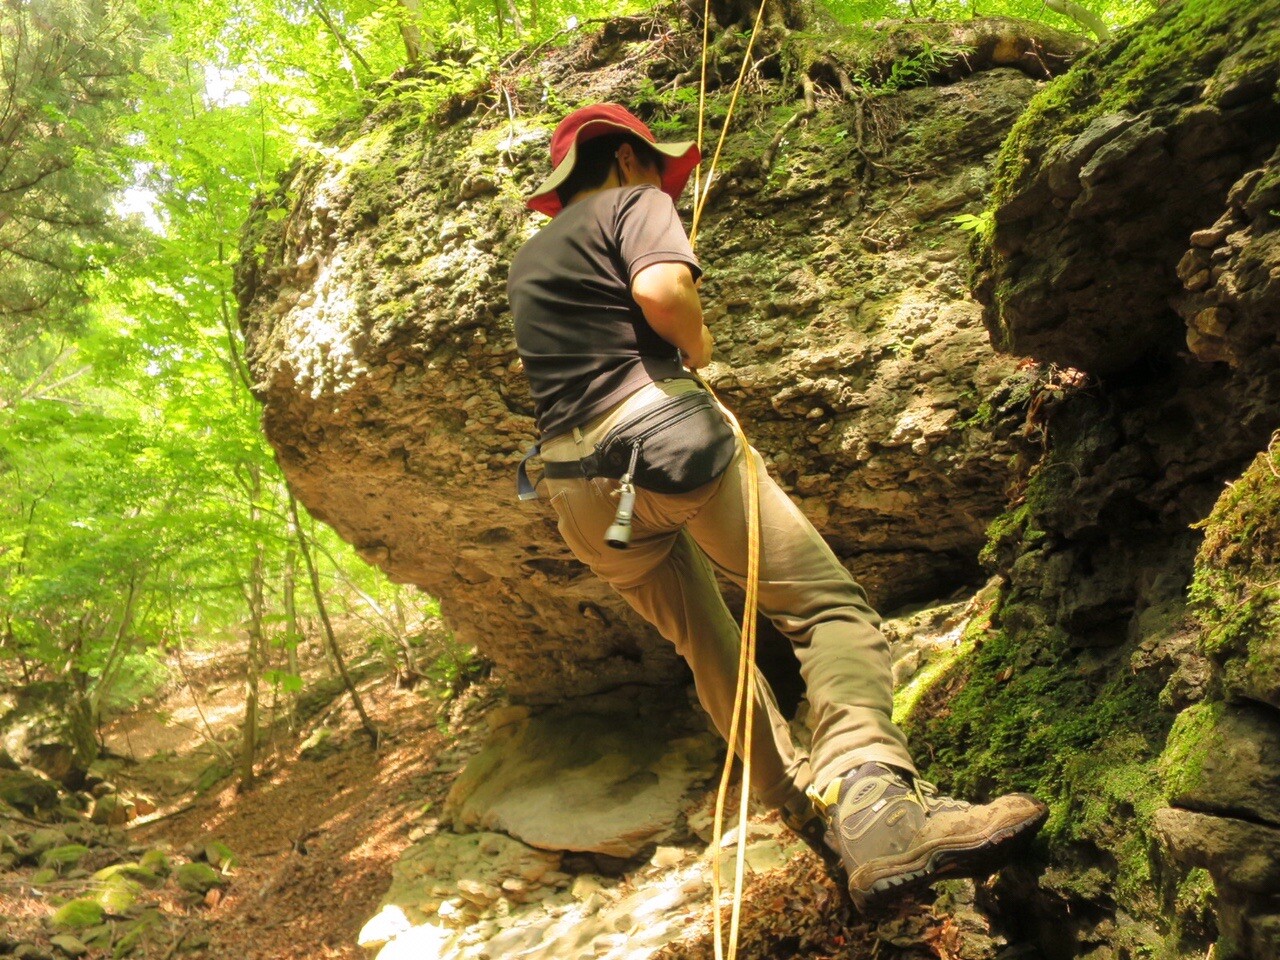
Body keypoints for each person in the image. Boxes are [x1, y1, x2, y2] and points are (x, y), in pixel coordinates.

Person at [506, 103, 1047, 909]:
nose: (665, 187)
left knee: (711, 652)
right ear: (623, 158)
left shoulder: (530, 258)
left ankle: (810, 818)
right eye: (655, 167)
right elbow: (660, 291)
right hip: (666, 440)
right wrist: (696, 345)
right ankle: (874, 802)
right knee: (825, 609)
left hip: (576, 491)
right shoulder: (632, 201)